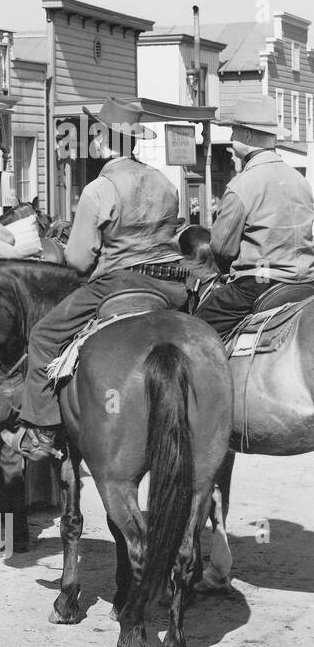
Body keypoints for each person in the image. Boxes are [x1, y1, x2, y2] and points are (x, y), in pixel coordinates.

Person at [17, 100, 189, 460]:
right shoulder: (165, 182)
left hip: (119, 282)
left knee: (44, 337)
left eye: (95, 132)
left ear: (101, 138)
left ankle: (43, 432)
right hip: (174, 287)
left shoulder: (100, 188)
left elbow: (79, 260)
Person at [195, 93, 314, 337]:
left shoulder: (243, 185)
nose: (230, 136)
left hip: (259, 283)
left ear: (247, 135)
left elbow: (222, 247)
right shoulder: (300, 180)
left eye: (234, 130)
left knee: (194, 332)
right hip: (306, 283)